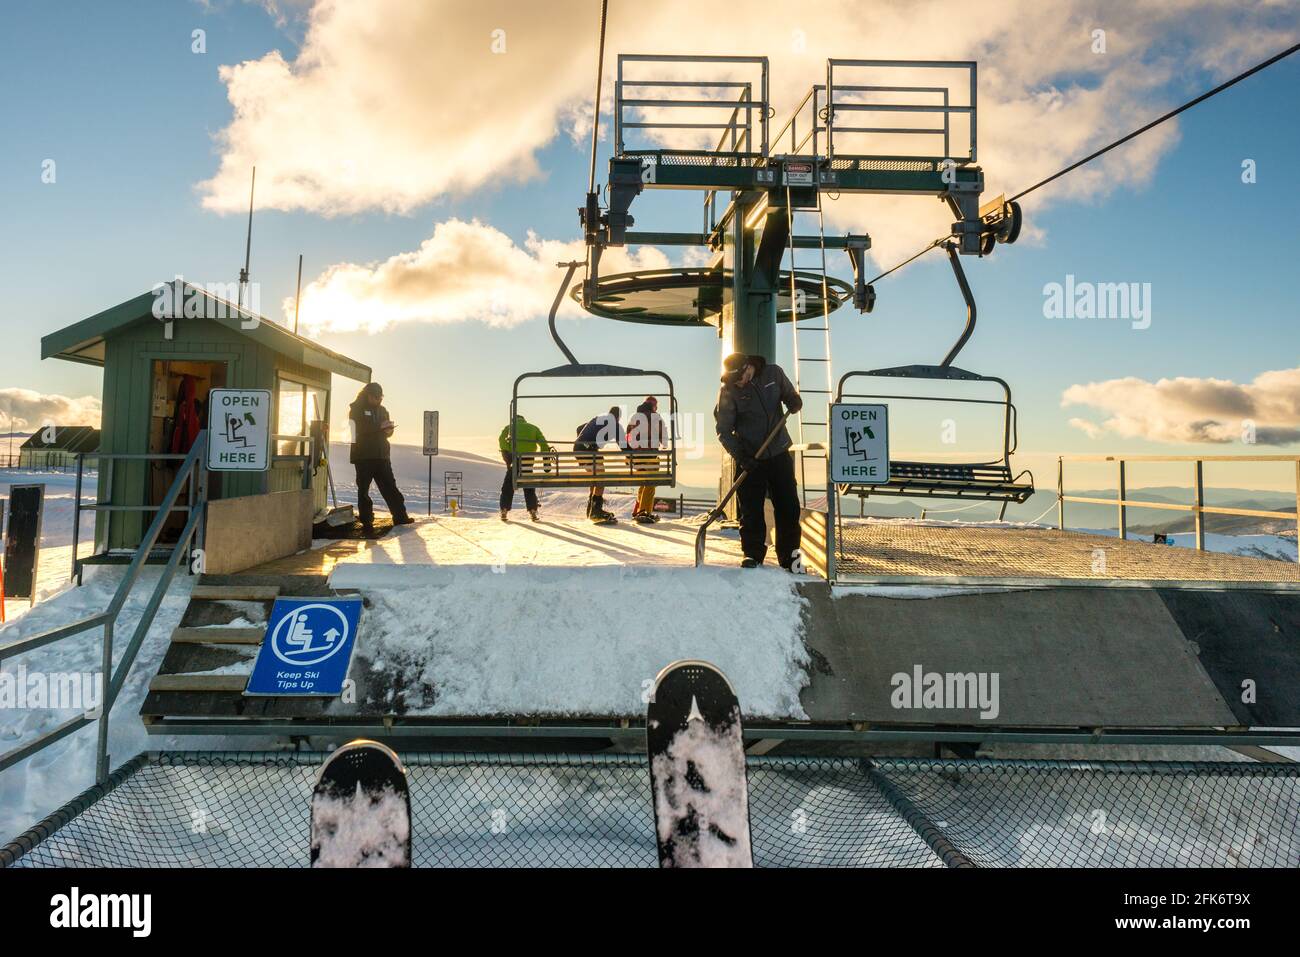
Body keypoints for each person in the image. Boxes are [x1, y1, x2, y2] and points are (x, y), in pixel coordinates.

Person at [714, 353, 803, 569]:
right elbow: (724, 430)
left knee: (788, 507)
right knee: (751, 508)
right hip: (751, 458)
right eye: (734, 381)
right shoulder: (728, 391)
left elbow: (790, 394)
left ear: (748, 368)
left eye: (740, 378)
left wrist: (794, 400)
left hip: (779, 452)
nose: (738, 383)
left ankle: (791, 558)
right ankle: (753, 554)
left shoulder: (773, 373)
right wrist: (742, 456)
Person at [348, 382, 413, 537]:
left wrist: (389, 431)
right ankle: (367, 521)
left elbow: (386, 433)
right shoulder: (355, 409)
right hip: (363, 456)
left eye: (380, 397)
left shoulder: (383, 410)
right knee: (363, 490)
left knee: (390, 487)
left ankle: (400, 517)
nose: (378, 400)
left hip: (381, 455)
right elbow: (356, 429)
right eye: (375, 397)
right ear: (367, 395)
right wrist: (379, 427)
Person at [575, 406, 626, 524]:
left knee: (597, 474)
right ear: (618, 417)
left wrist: (586, 441)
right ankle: (595, 511)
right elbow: (624, 446)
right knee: (601, 478)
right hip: (588, 452)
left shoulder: (598, 418)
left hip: (578, 448)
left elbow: (579, 428)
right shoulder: (615, 425)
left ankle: (591, 508)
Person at [498, 414, 551, 522]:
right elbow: (543, 444)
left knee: (508, 485)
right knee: (529, 486)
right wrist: (546, 460)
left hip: (514, 461)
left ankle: (504, 509)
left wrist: (507, 450)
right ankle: (532, 511)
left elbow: (501, 440)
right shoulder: (533, 428)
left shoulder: (509, 427)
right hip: (528, 461)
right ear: (523, 420)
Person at [627, 396, 666, 525]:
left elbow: (627, 436)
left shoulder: (634, 416)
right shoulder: (656, 417)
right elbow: (663, 438)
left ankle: (638, 510)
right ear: (653, 406)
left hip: (636, 457)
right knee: (650, 482)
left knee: (643, 482)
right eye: (656, 406)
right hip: (650, 456)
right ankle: (643, 512)